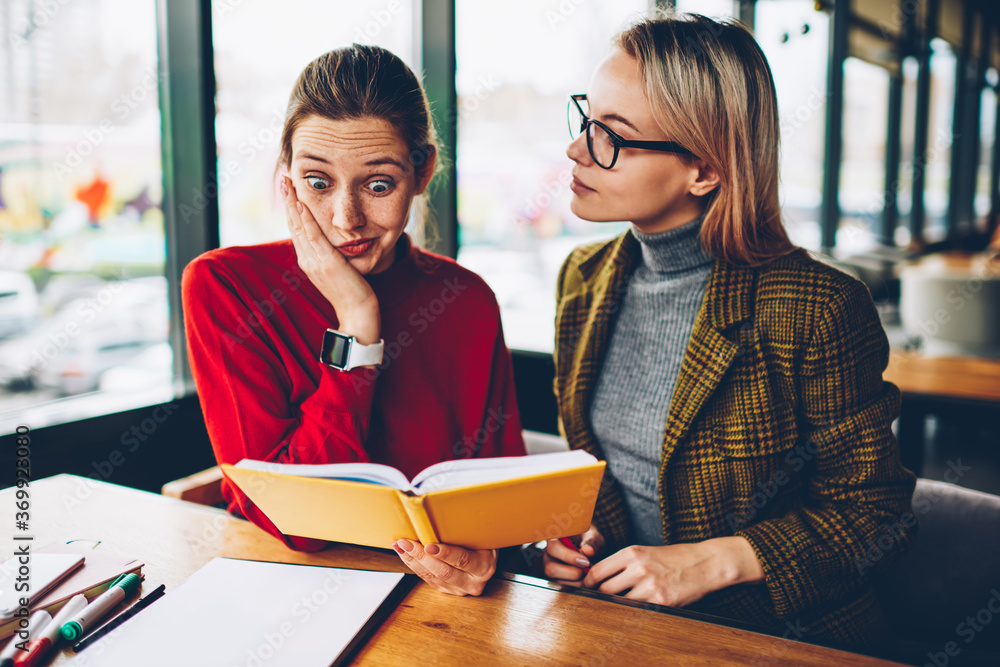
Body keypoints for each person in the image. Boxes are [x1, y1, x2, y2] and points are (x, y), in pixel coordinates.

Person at [542, 13, 916, 649]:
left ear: (705, 171)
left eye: (614, 136)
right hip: (622, 626)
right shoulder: (584, 277)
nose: (578, 149)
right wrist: (571, 537)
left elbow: (874, 517)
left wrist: (716, 560)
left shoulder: (818, 308)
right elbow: (609, 473)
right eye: (585, 120)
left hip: (782, 638)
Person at [181, 44, 524, 595]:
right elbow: (297, 522)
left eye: (378, 184)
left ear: (423, 172)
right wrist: (357, 322)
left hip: (437, 603)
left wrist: (487, 554)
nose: (347, 219)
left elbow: (504, 498)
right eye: (318, 182)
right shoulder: (225, 286)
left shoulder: (467, 299)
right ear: (287, 179)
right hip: (279, 591)